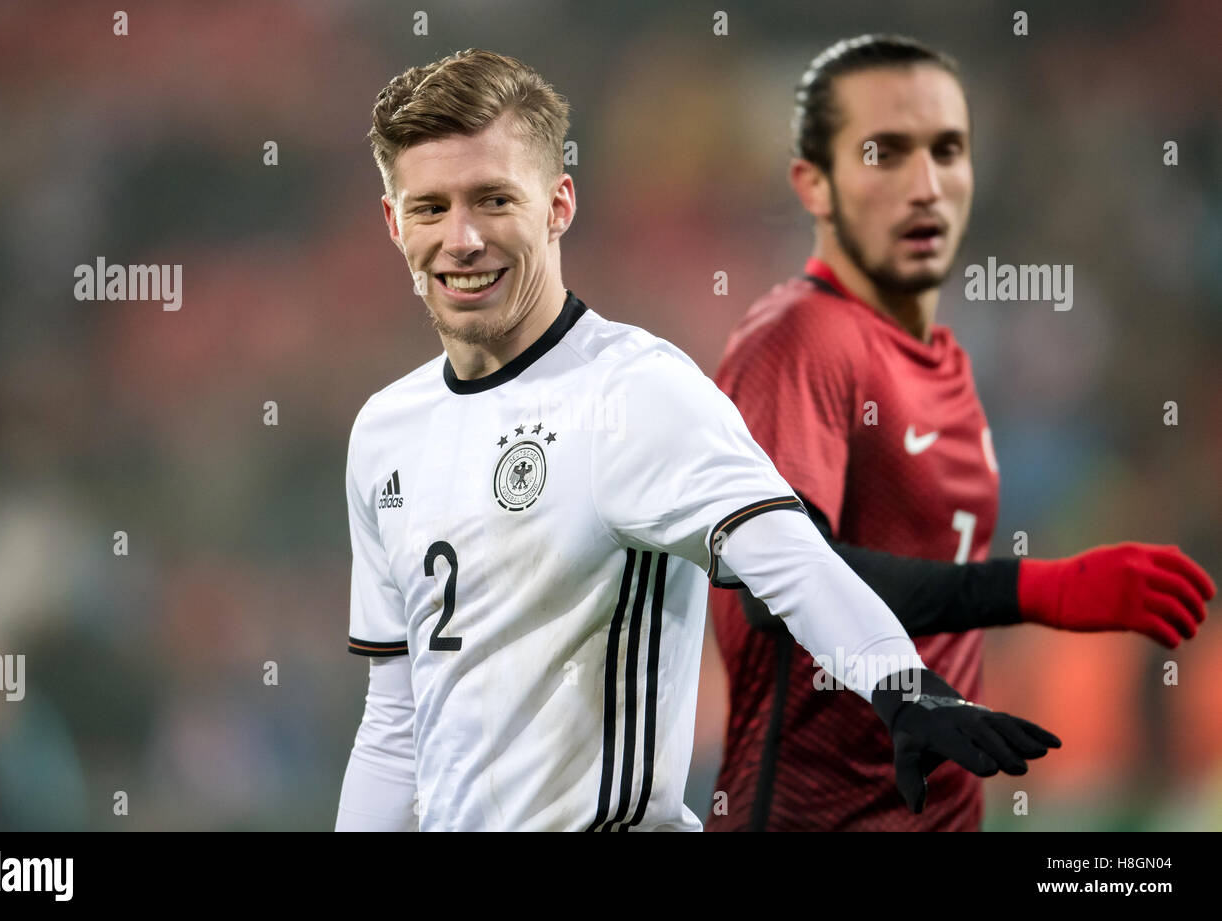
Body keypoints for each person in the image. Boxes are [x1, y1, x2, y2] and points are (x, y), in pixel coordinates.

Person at [335, 49, 1059, 832]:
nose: (463, 237)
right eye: (430, 207)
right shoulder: (385, 432)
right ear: (392, 221)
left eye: (493, 199)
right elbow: (396, 722)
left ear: (558, 204)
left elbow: (787, 555)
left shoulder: (633, 392)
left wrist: (900, 684)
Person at [706, 34, 1215, 832]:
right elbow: (778, 578)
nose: (925, 184)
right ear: (814, 183)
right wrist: (1034, 589)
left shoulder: (944, 363)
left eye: (948, 150)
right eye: (885, 152)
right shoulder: (800, 340)